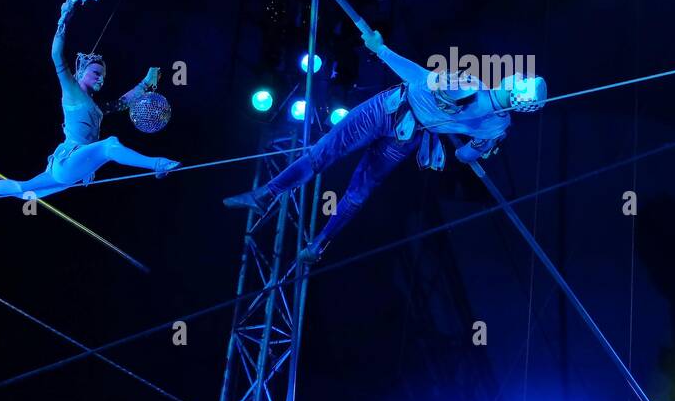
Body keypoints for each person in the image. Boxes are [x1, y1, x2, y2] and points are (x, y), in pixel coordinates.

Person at [224, 30, 548, 263]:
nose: (514, 75)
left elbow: (417, 77)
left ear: (516, 88)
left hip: (389, 110)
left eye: (519, 78)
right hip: (408, 135)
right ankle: (320, 244)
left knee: (323, 153)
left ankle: (264, 194)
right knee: (360, 189)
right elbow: (463, 156)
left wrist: (381, 51)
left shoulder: (472, 85)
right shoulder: (498, 127)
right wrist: (483, 147)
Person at [0, 0, 177, 206]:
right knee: (110, 145)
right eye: (95, 73)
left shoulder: (95, 106)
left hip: (69, 165)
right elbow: (56, 54)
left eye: (103, 75)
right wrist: (65, 15)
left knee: (24, 190)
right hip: (68, 160)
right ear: (81, 72)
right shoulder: (72, 89)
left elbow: (123, 102)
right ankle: (158, 164)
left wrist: (147, 82)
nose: (100, 77)